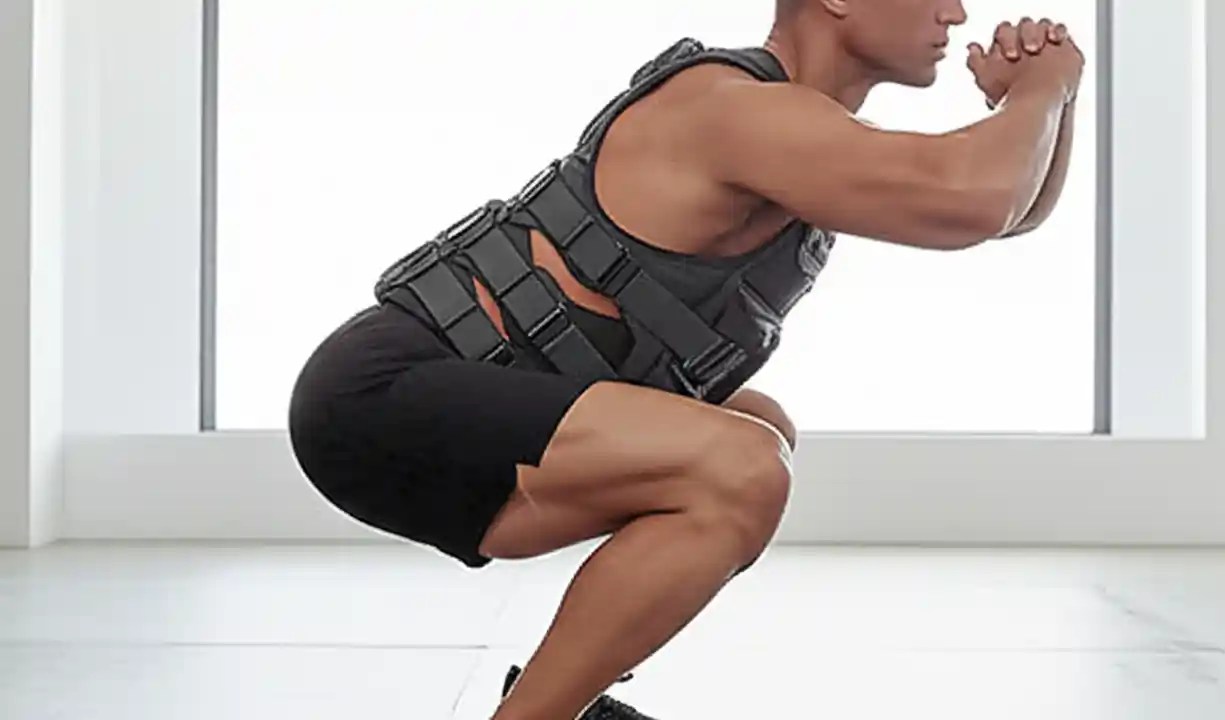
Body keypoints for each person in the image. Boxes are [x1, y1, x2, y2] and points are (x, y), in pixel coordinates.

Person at [287, 1, 1085, 718]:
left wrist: (1059, 98)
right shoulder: (734, 110)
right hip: (384, 396)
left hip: (466, 405)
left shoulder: (803, 131)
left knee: (756, 425)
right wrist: (1039, 90)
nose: (954, 10)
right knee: (740, 468)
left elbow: (1010, 213)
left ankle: (566, 693)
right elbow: (973, 201)